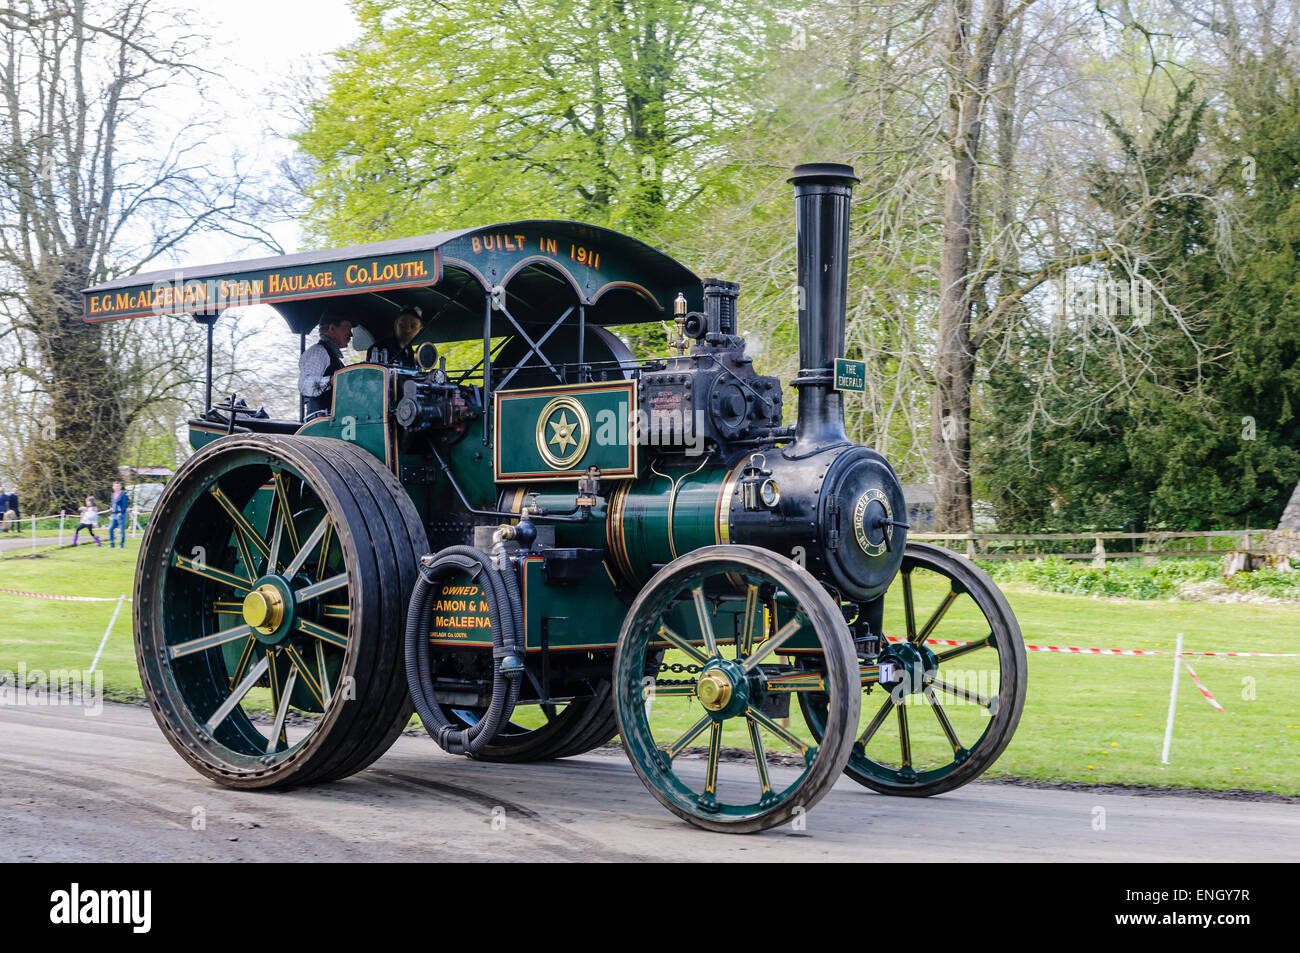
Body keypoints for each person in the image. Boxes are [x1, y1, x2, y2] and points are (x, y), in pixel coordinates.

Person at [298, 311, 353, 417]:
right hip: (321, 425)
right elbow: (305, 385)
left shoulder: (330, 355)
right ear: (332, 328)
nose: (351, 334)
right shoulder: (318, 352)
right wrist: (331, 380)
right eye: (347, 327)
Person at [108, 481, 130, 549]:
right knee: (110, 529)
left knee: (121, 530)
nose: (116, 487)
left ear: (120, 487)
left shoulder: (123, 494)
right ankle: (112, 544)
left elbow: (125, 504)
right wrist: (111, 513)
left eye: (118, 486)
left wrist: (122, 512)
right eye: (115, 486)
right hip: (114, 514)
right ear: (113, 487)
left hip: (121, 515)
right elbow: (113, 504)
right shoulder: (112, 495)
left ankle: (121, 544)